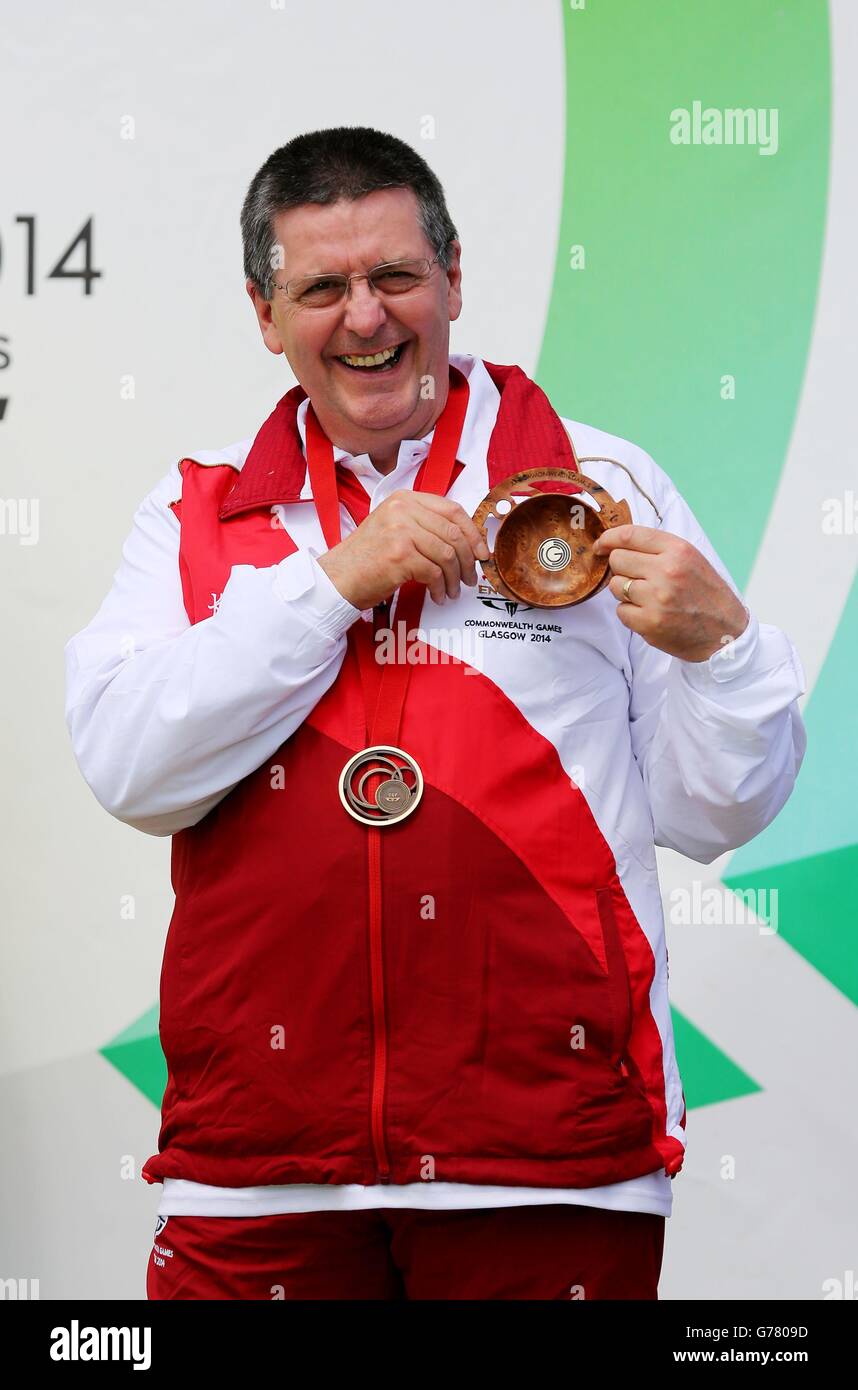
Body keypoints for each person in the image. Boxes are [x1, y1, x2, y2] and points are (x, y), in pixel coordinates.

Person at [64, 126, 807, 1301]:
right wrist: (332, 584)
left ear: (454, 280)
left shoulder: (600, 484)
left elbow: (713, 811)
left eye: (396, 277)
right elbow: (132, 769)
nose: (366, 315)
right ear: (266, 313)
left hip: (549, 1155)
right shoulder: (198, 508)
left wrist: (727, 649)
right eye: (322, 286)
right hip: (258, 1164)